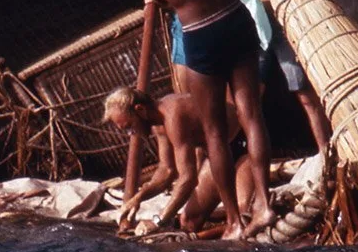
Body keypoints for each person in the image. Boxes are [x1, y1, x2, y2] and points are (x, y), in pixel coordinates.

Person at [119, 0, 274, 240]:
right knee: (251, 114)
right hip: (234, 17)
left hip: (199, 33)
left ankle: (235, 222)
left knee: (215, 131)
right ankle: (265, 205)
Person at [104, 87, 253, 237]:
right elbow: (166, 171)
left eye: (129, 127)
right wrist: (137, 198)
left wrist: (158, 221)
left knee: (242, 214)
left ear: (140, 110)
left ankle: (219, 233)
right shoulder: (159, 124)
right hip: (219, 156)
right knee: (188, 220)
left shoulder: (173, 115)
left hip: (242, 145)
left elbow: (188, 178)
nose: (131, 133)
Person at [231, 0, 332, 155]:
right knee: (251, 96)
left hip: (284, 22)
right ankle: (246, 154)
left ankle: (325, 149)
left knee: (304, 91)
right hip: (258, 25)